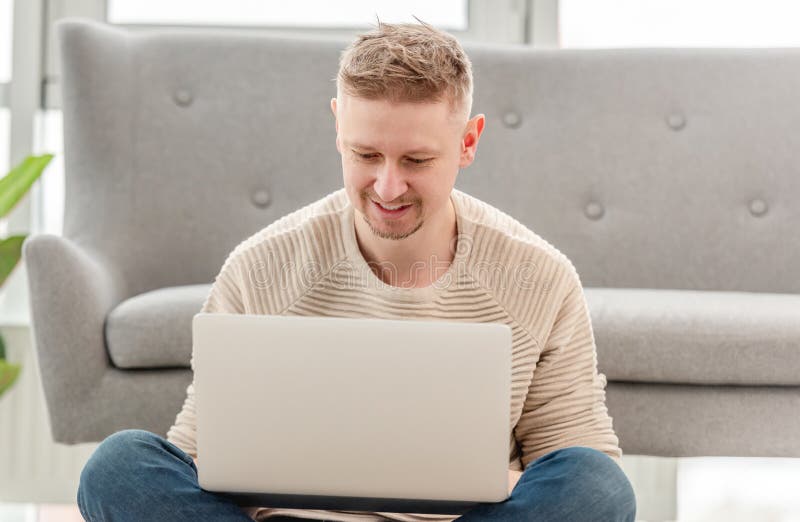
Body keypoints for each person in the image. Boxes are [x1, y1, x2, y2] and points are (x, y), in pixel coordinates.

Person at [77, 19, 636, 522]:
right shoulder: (261, 266)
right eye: (366, 155)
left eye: (416, 161)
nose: (388, 187)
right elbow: (200, 462)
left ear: (467, 142)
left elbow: (576, 469)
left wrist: (463, 484)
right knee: (119, 466)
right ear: (337, 126)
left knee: (597, 487)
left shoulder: (539, 276)